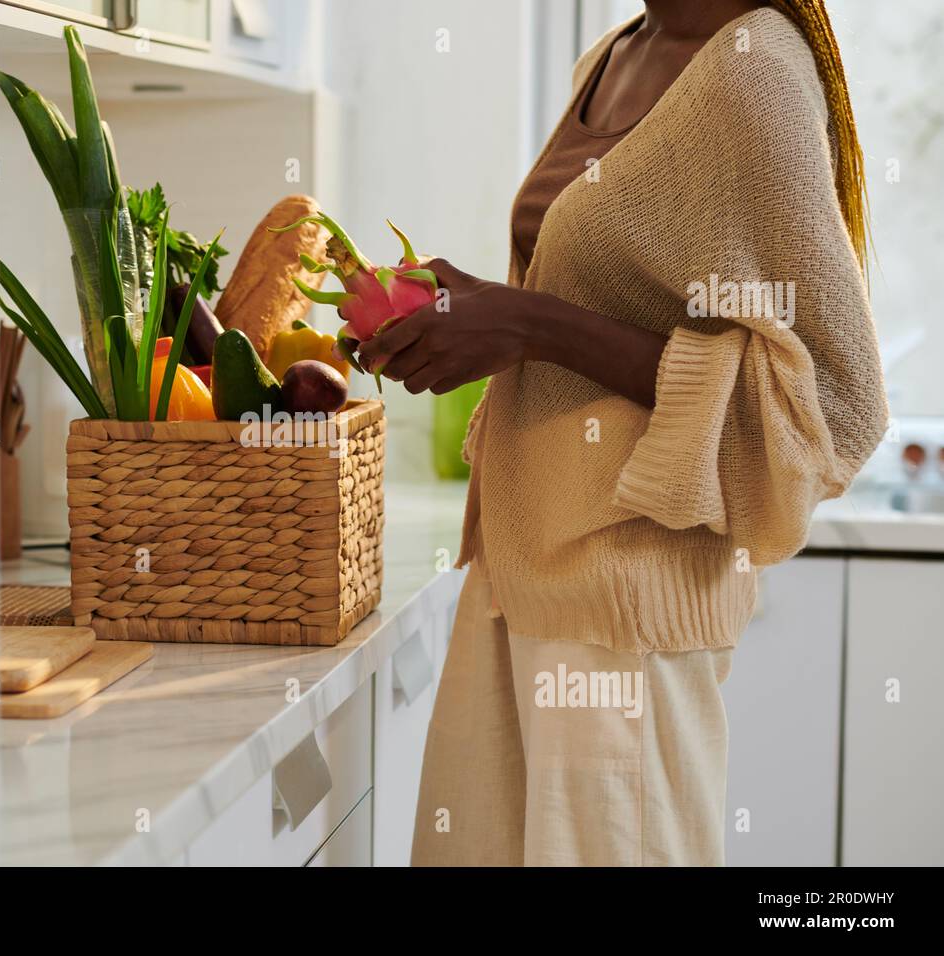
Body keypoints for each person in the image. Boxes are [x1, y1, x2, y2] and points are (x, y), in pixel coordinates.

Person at [358, 0, 888, 866]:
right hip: (516, 583)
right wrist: (478, 312)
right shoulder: (614, 54)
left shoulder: (752, 67)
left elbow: (841, 404)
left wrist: (530, 325)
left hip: (622, 622)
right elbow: (605, 300)